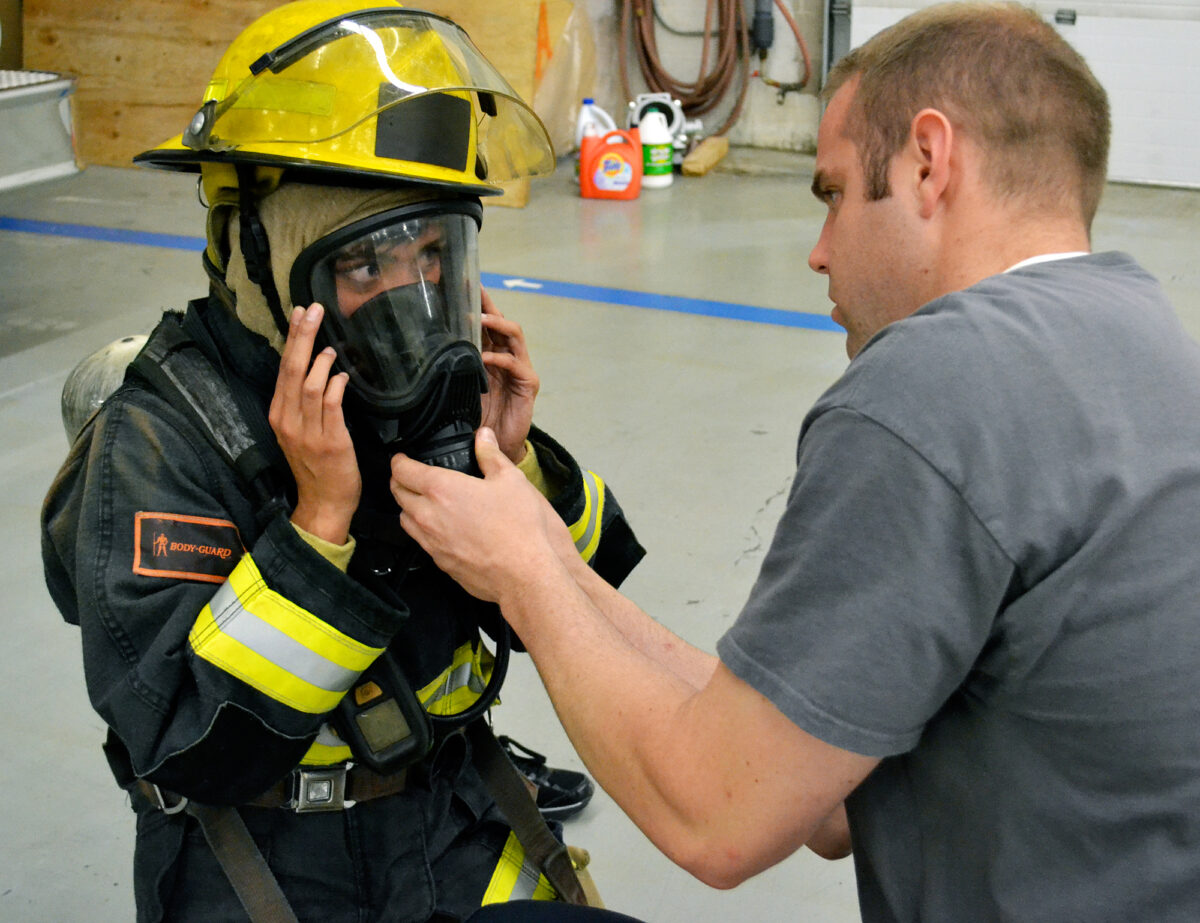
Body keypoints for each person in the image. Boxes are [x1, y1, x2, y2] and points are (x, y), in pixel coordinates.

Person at [389, 2, 1200, 920]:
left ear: (929, 163)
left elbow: (717, 814)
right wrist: (548, 556)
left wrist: (525, 575)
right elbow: (817, 786)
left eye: (836, 193)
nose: (818, 253)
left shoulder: (934, 388)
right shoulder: (1141, 336)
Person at [40, 2, 643, 921]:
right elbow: (193, 743)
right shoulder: (161, 444)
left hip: (449, 820)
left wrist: (512, 474)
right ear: (251, 250)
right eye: (365, 266)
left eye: (434, 253)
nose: (411, 300)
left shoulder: (409, 396)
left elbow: (589, 620)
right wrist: (318, 525)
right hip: (264, 860)